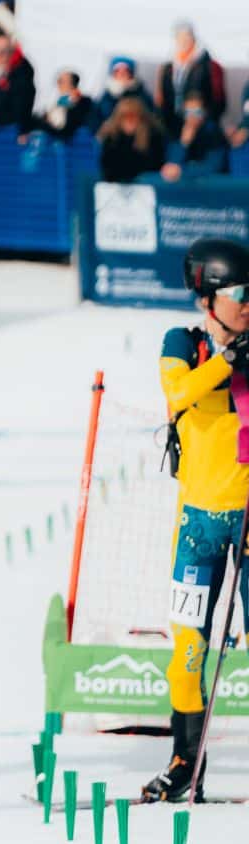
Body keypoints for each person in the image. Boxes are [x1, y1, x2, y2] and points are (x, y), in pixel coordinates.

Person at [148, 238, 249, 804]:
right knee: (187, 652)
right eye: (240, 294)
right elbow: (178, 393)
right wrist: (231, 360)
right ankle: (186, 761)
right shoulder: (182, 344)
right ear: (209, 299)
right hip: (198, 523)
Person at [97, 96, 166, 184]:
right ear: (118, 118)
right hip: (116, 185)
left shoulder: (152, 135)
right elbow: (107, 166)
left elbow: (155, 164)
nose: (129, 120)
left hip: (145, 183)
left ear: (141, 117)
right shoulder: (110, 136)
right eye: (125, 117)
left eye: (133, 116)